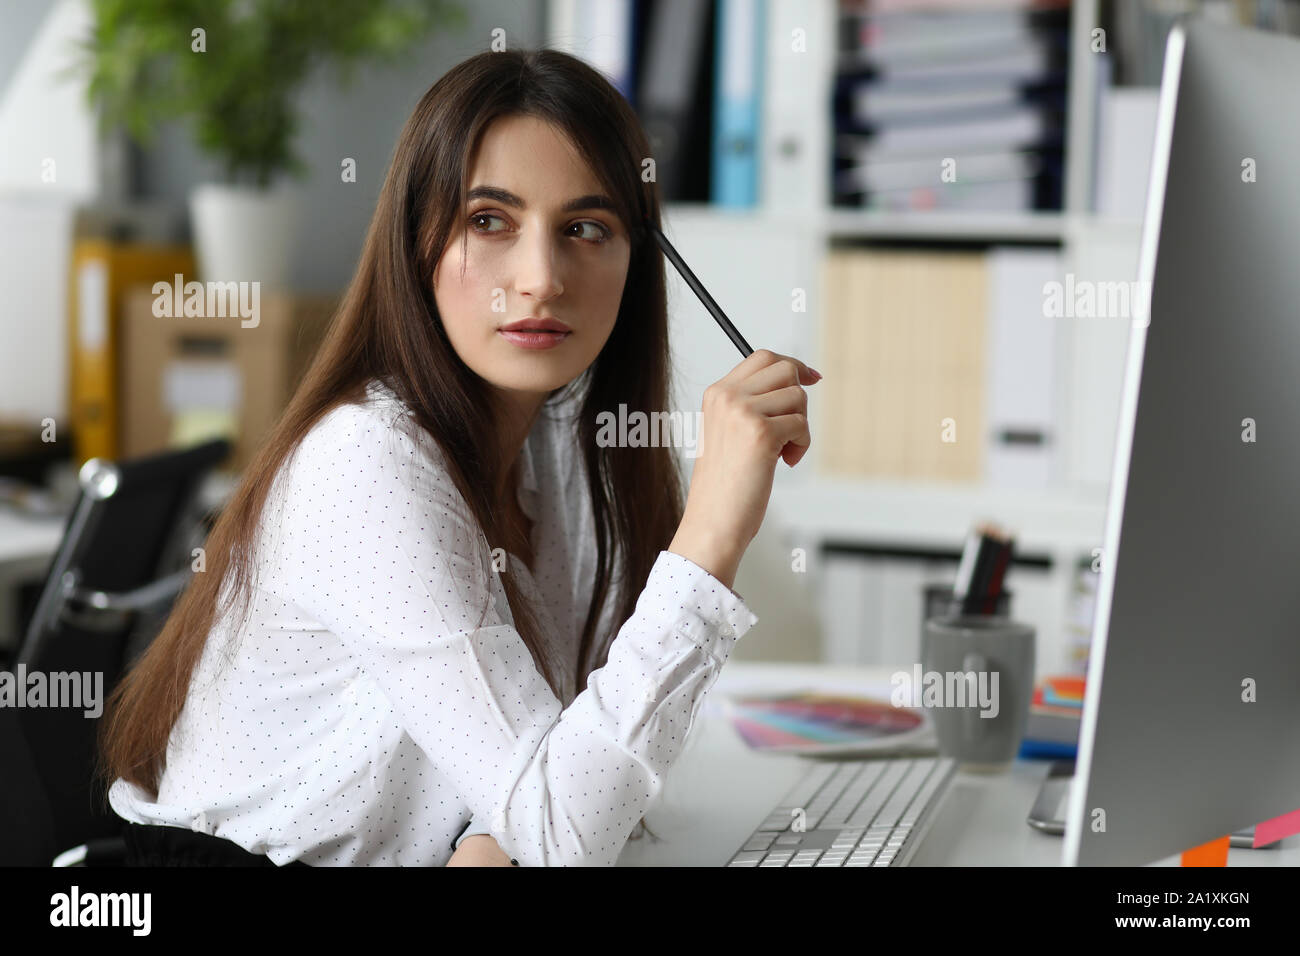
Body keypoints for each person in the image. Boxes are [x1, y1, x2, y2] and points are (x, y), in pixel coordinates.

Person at [99, 47, 819, 867]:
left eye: (586, 228)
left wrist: (491, 835)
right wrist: (712, 536)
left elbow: (559, 789)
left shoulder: (561, 446)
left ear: (637, 260)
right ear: (418, 244)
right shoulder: (366, 460)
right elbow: (558, 825)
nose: (541, 278)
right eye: (489, 221)